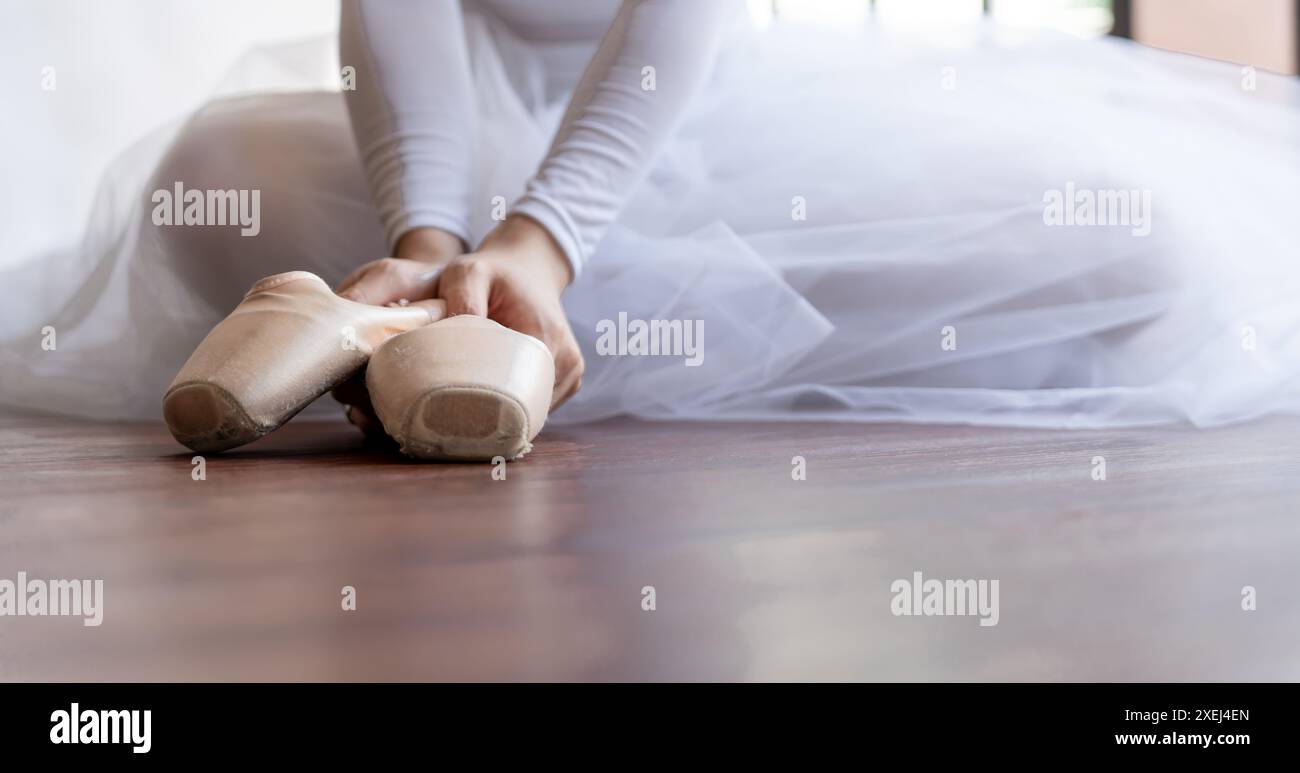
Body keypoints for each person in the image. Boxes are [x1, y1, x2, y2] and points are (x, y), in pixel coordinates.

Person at [4, 0, 1299, 429]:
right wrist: (431, 233)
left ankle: (471, 322)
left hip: (707, 113)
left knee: (1141, 236)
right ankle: (445, 306)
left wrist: (550, 230)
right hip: (464, 128)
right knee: (217, 163)